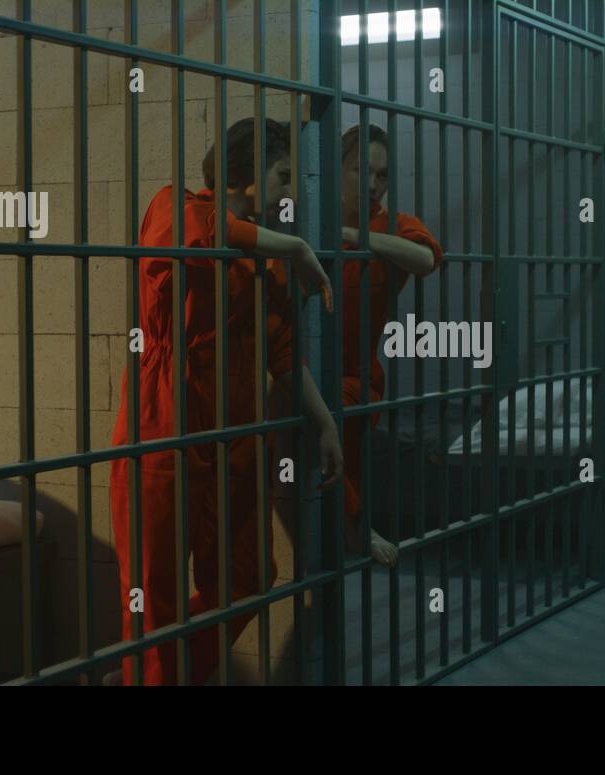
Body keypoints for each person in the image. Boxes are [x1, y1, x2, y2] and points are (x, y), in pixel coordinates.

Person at [109, 118, 343, 685]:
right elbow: (200, 233)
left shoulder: (262, 259)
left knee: (250, 578)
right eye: (284, 176)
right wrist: (295, 245)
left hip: (232, 439)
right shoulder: (177, 207)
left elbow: (284, 357)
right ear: (243, 173)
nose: (293, 192)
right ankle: (149, 673)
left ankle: (148, 674)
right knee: (153, 589)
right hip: (163, 426)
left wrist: (327, 424)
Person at [336, 123, 445, 567]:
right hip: (289, 362)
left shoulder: (393, 223)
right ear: (337, 167)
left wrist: (356, 239)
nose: (374, 184)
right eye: (362, 170)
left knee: (347, 453)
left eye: (382, 175)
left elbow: (427, 259)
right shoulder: (302, 212)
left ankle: (355, 526)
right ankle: (354, 526)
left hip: (355, 372)